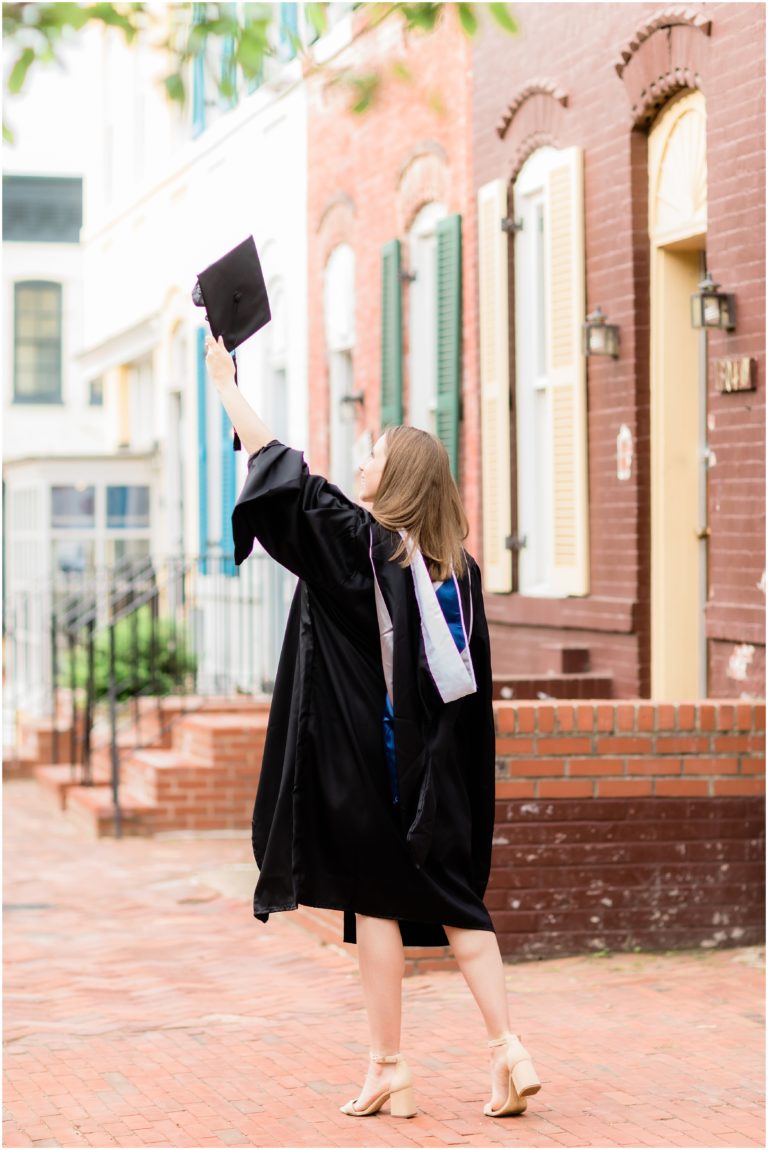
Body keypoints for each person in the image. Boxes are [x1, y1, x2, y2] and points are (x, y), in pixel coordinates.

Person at [205, 333, 542, 1119]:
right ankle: (507, 1049)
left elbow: (281, 471)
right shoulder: (456, 570)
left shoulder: (362, 548)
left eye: (374, 454)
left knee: (378, 908)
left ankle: (390, 1065)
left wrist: (226, 385)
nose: (361, 461)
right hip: (444, 779)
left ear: (398, 479)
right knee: (460, 906)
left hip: (376, 776)